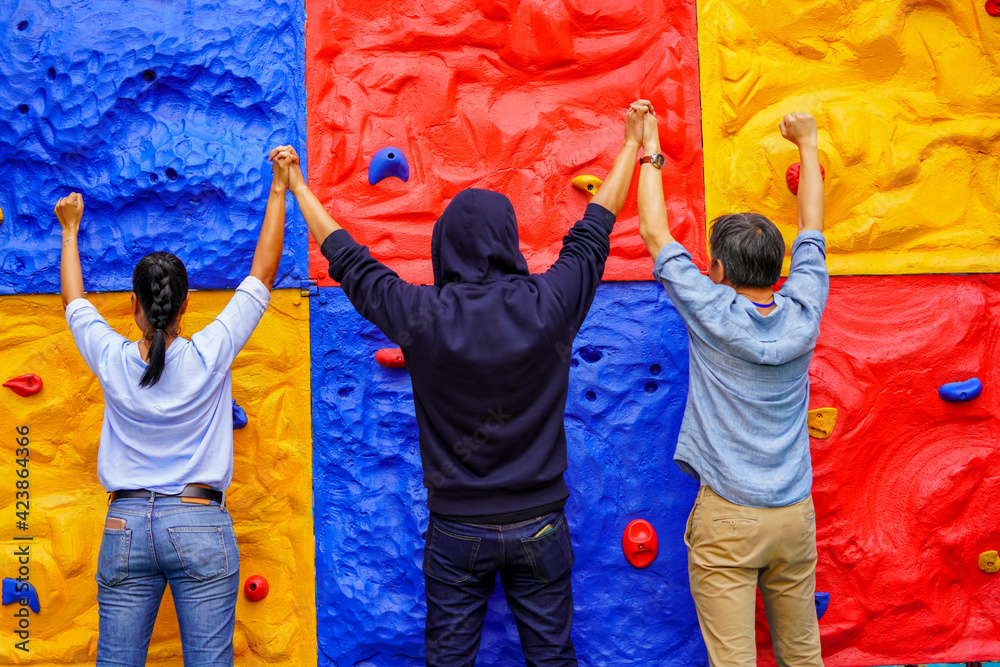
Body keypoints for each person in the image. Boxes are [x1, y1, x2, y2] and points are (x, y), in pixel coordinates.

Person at [269, 104, 644, 665]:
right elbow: (595, 228)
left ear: (445, 246)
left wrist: (298, 189)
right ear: (508, 240)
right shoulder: (550, 304)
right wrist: (634, 144)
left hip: (457, 529)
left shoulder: (423, 314)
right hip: (540, 522)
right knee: (553, 658)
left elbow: (349, 261)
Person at [55, 147, 295, 666]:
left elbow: (74, 302)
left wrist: (70, 230)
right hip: (198, 519)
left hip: (124, 524)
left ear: (133, 305)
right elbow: (263, 273)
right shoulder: (212, 350)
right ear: (186, 304)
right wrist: (279, 188)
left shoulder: (111, 356)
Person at [635, 100, 828, 667]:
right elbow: (812, 230)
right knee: (802, 653)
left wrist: (649, 147)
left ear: (716, 271)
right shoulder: (805, 307)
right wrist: (809, 145)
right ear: (779, 269)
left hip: (729, 515)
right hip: (794, 513)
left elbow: (652, 230)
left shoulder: (712, 311)